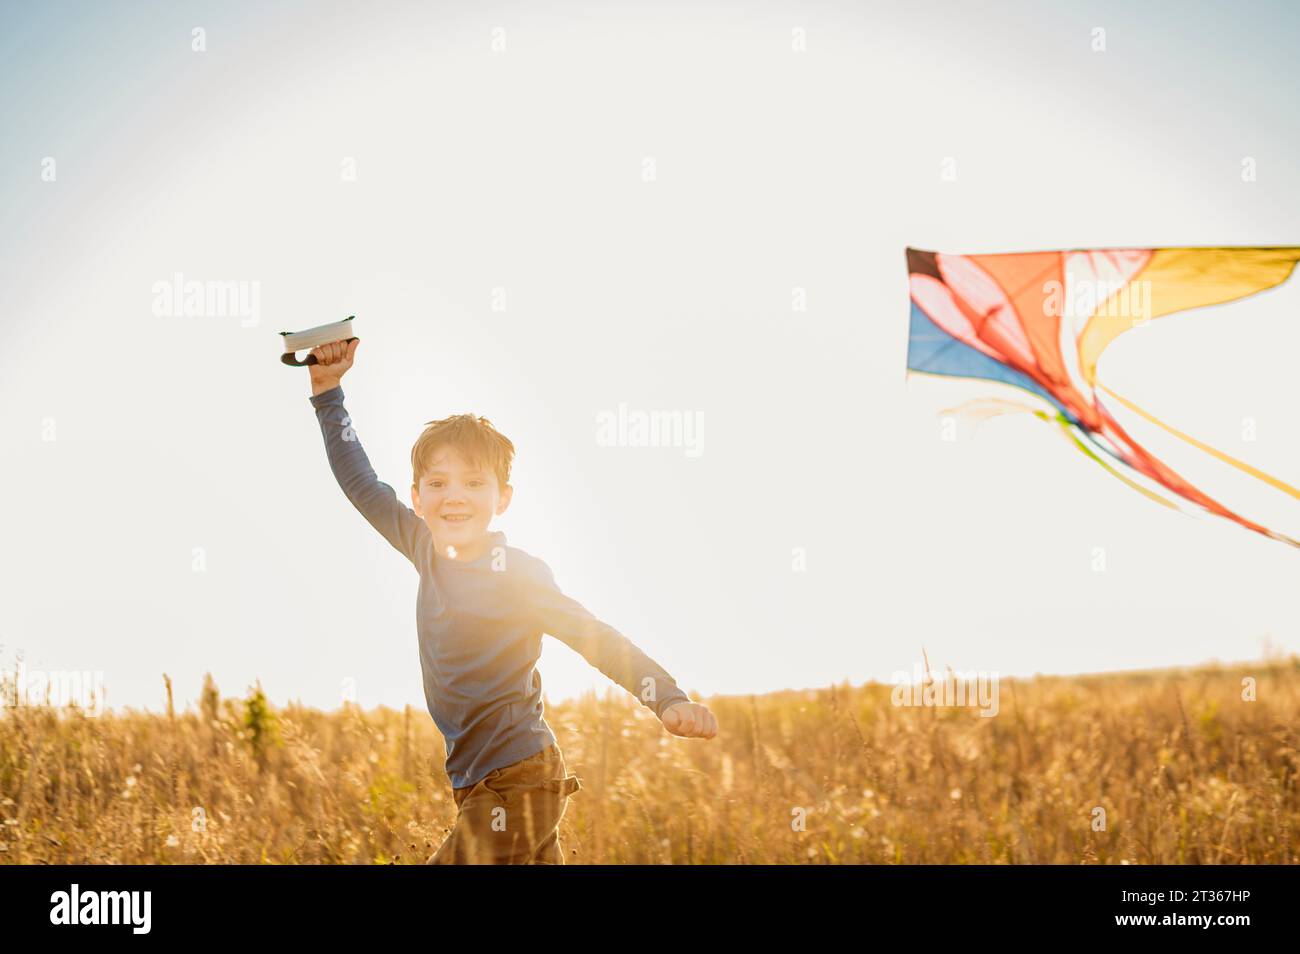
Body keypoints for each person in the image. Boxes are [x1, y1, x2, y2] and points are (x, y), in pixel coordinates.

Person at [304, 337, 718, 864]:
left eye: (473, 483)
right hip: (481, 788)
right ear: (417, 498)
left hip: (519, 780)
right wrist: (327, 391)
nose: (454, 495)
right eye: (438, 483)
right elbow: (360, 482)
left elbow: (597, 640)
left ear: (502, 499)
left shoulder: (519, 577)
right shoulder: (422, 548)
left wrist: (667, 697)